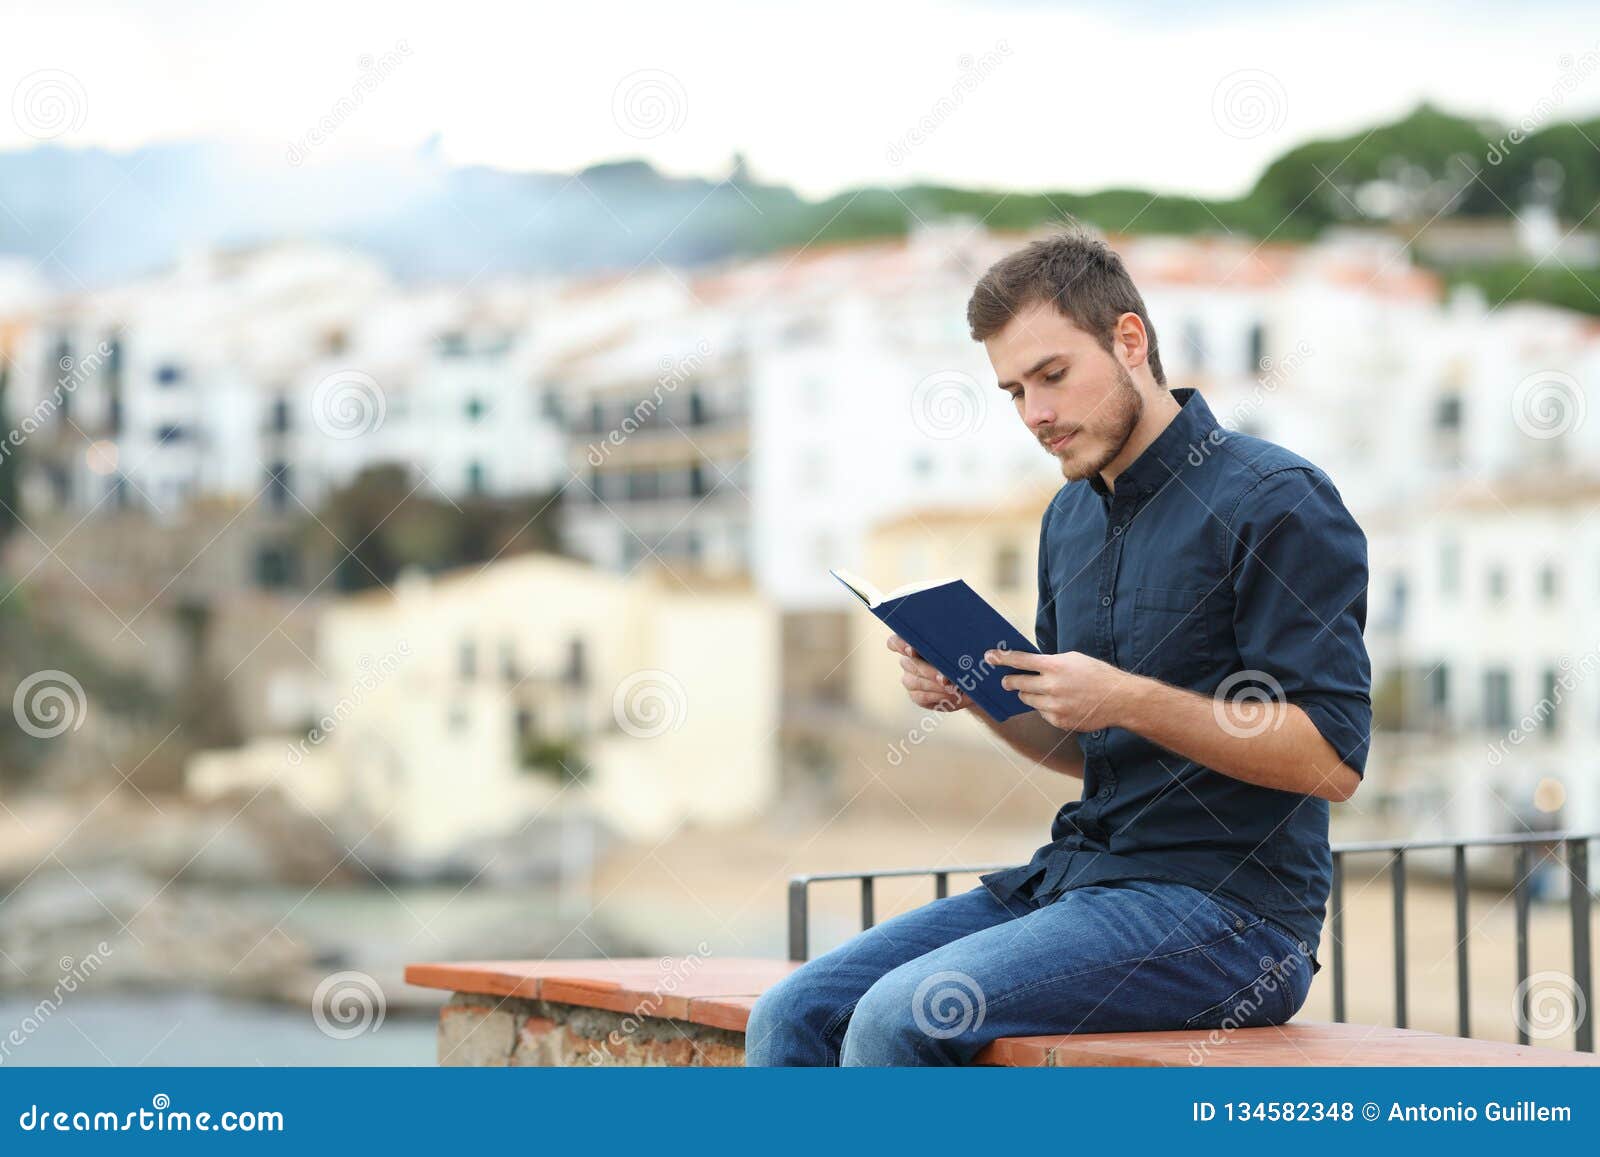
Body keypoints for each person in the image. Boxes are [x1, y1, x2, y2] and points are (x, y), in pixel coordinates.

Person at [745, 229, 1372, 1066]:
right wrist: (976, 687)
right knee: (793, 1011)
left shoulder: (1278, 500)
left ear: (1129, 341)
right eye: (1013, 392)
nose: (1035, 414)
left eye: (1052, 376)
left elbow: (1334, 760)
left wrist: (1125, 697)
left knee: (901, 1014)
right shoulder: (1069, 518)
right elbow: (1087, 750)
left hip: (1235, 916)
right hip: (1077, 880)